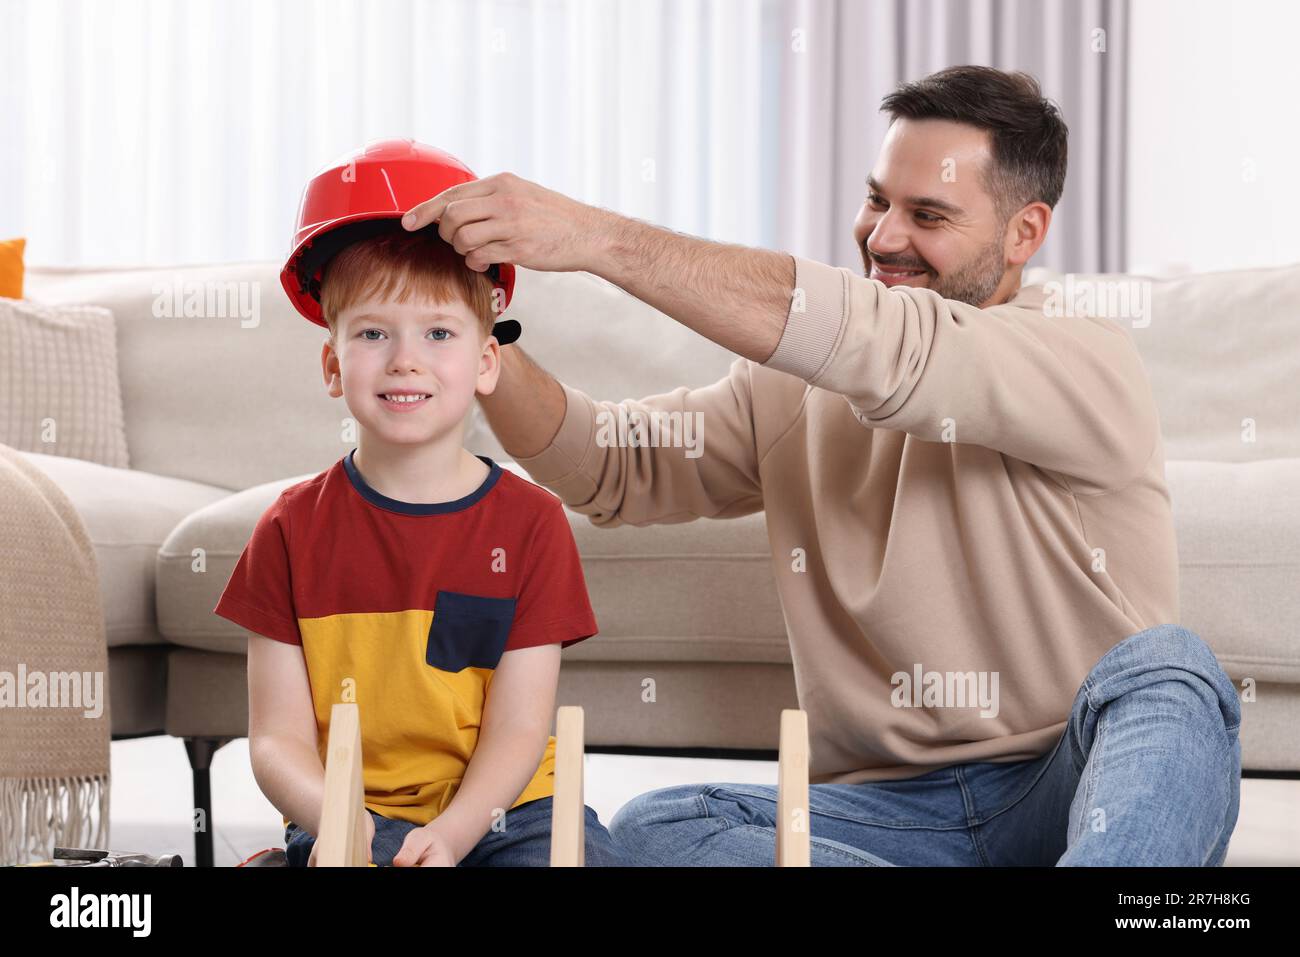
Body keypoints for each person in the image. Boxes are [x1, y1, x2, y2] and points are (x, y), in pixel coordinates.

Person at [401, 66, 1243, 866]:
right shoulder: (793, 391)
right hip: (884, 818)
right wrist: (477, 345)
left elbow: (888, 345)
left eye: (929, 214)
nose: (883, 236)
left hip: (1066, 782)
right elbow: (612, 466)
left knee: (1168, 668)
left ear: (1026, 231)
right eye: (876, 199)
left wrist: (593, 237)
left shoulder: (1079, 359)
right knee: (662, 826)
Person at [213, 141, 628, 867]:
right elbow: (276, 738)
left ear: (486, 361)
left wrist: (458, 831)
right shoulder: (288, 528)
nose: (406, 359)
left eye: (438, 333)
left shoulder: (532, 526)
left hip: (510, 812)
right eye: (374, 333)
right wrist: (338, 818)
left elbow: (519, 730)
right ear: (334, 365)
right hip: (354, 811)